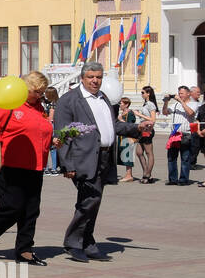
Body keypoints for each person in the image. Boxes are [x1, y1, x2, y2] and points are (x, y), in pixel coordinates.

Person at [53, 61, 151, 263]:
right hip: (82, 159)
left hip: (104, 157)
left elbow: (112, 125)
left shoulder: (103, 98)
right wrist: (67, 164)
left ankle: (86, 242)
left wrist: (136, 128)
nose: (95, 81)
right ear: (82, 78)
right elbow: (61, 135)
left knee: (93, 202)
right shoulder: (69, 100)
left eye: (98, 77)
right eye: (91, 77)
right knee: (90, 200)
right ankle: (73, 242)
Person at [0, 71, 53, 265]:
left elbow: (39, 132)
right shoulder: (9, 101)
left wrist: (54, 141)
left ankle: (25, 250)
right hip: (9, 165)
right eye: (36, 91)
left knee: (31, 210)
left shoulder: (40, 108)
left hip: (35, 166)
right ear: (25, 88)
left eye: (42, 92)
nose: (40, 95)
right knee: (12, 206)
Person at [164, 86, 198, 185]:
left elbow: (190, 113)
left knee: (185, 158)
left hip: (185, 134)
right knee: (171, 157)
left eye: (182, 93)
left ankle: (183, 179)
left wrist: (181, 101)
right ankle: (173, 179)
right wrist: (166, 102)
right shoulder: (175, 105)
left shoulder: (194, 104)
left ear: (188, 94)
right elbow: (165, 112)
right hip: (174, 133)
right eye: (179, 93)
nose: (179, 95)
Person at [136, 86, 159, 183]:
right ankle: (146, 172)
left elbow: (153, 119)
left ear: (148, 93)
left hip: (148, 129)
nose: (142, 94)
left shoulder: (151, 104)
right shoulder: (145, 104)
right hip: (142, 129)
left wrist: (139, 114)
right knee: (139, 152)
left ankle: (148, 174)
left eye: (143, 92)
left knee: (149, 152)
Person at [116, 98, 137, 181]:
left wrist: (121, 120)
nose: (119, 105)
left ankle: (129, 175)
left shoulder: (130, 113)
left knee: (128, 156)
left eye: (121, 103)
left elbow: (131, 125)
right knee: (124, 155)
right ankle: (127, 174)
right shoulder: (122, 113)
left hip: (128, 137)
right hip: (122, 136)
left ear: (126, 104)